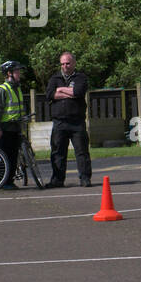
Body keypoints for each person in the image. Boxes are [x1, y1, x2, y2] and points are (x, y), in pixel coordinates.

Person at [45, 51, 91, 188]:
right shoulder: (54, 78)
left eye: (68, 63)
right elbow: (50, 95)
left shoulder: (80, 77)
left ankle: (85, 178)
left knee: (82, 152)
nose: (65, 66)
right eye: (62, 63)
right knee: (58, 153)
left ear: (74, 63)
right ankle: (57, 180)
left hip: (77, 122)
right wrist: (67, 92)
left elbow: (78, 92)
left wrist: (60, 90)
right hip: (59, 122)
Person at [0, 61, 26, 190]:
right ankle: (1, 182)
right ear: (9, 73)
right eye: (17, 71)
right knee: (3, 156)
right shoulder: (3, 89)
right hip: (5, 128)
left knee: (13, 155)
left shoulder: (17, 88)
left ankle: (9, 181)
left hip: (16, 127)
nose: (19, 74)